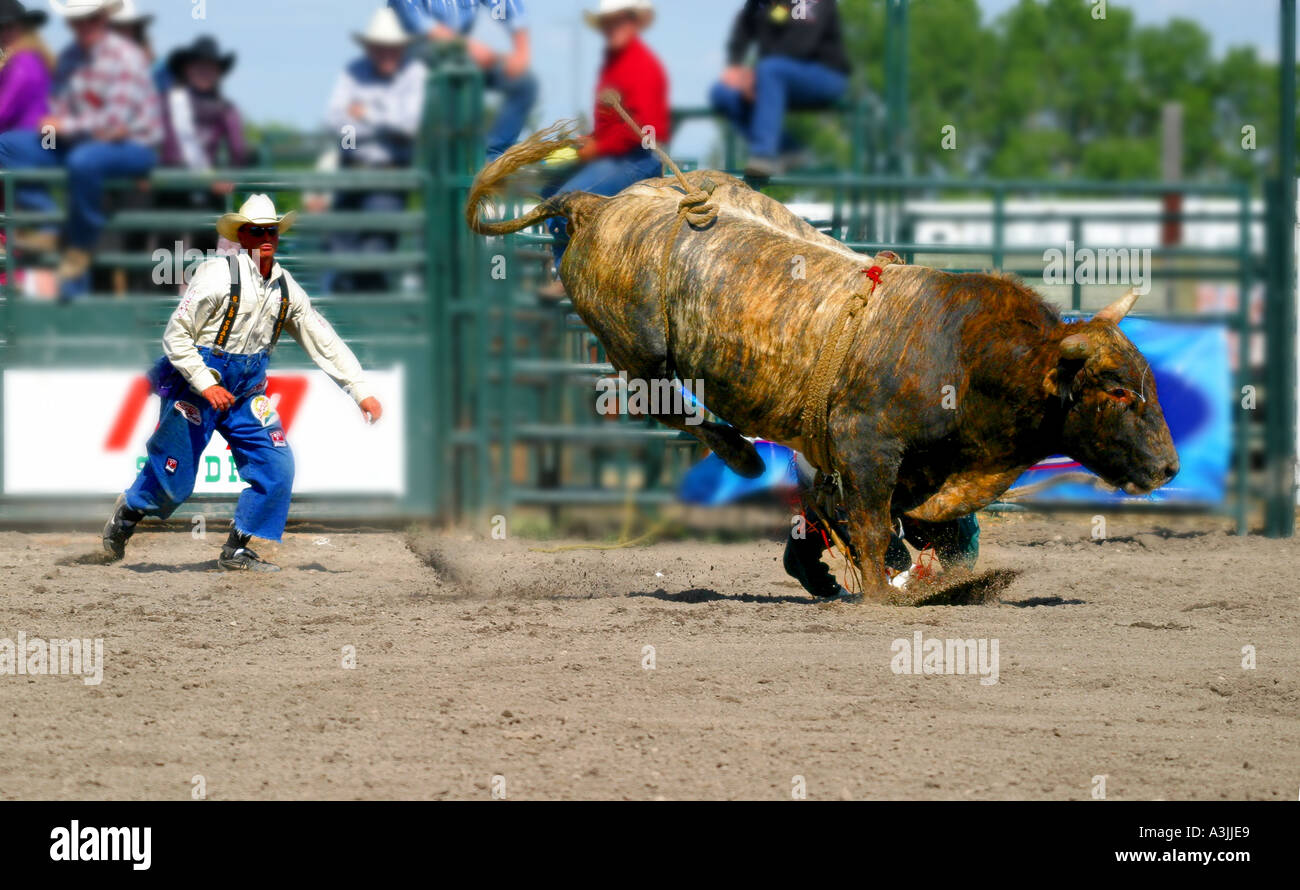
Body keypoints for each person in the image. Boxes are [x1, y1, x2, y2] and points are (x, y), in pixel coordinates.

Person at [101, 194, 385, 572]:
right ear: (243, 236)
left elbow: (322, 338)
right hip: (198, 386)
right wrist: (205, 383)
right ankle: (129, 512)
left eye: (271, 230)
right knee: (176, 477)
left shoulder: (286, 288)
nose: (266, 236)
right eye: (257, 230)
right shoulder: (217, 275)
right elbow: (177, 335)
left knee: (276, 465)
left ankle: (237, 547)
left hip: (248, 391)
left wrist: (359, 389)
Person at [0, 0, 162, 301]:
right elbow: (59, 106)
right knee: (6, 146)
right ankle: (51, 224)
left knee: (83, 162)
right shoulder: (70, 57)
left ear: (103, 18)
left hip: (132, 145)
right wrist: (54, 129)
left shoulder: (124, 56)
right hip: (83, 142)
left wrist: (64, 126)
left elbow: (115, 124)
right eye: (77, 20)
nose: (83, 26)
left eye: (89, 18)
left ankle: (76, 244)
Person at [537, 0, 666, 299]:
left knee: (562, 200)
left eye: (619, 20)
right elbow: (614, 123)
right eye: (608, 22)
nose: (612, 27)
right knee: (549, 189)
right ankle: (570, 269)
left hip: (635, 159)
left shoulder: (642, 65)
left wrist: (597, 146)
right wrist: (591, 139)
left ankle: (572, 276)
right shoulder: (614, 64)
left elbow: (647, 127)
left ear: (633, 22)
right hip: (615, 156)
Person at [319, 7, 426, 293]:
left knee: (375, 254)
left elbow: (409, 127)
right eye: (380, 48)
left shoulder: (415, 74)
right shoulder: (353, 72)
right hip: (351, 174)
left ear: (402, 49)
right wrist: (383, 123)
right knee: (341, 253)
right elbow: (334, 120)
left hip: (388, 179)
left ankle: (370, 325)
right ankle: (352, 326)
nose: (386, 54)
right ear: (370, 48)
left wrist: (363, 114)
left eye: (392, 49)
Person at [783, 452, 981, 600]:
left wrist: (958, 574)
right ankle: (841, 593)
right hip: (832, 493)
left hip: (909, 487)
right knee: (797, 558)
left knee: (957, 515)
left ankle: (953, 574)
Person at [710, 0, 850, 178]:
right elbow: (744, 27)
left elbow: (800, 45)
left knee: (771, 70)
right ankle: (790, 150)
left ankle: (764, 156)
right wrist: (735, 65)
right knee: (722, 94)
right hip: (773, 76)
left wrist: (755, 78)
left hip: (826, 76)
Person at [387, 0, 534, 159]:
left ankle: (493, 158)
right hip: (410, 52)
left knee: (523, 83)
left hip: (461, 54)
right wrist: (466, 46)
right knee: (456, 69)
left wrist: (521, 51)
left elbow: (506, 5)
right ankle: (441, 159)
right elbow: (413, 18)